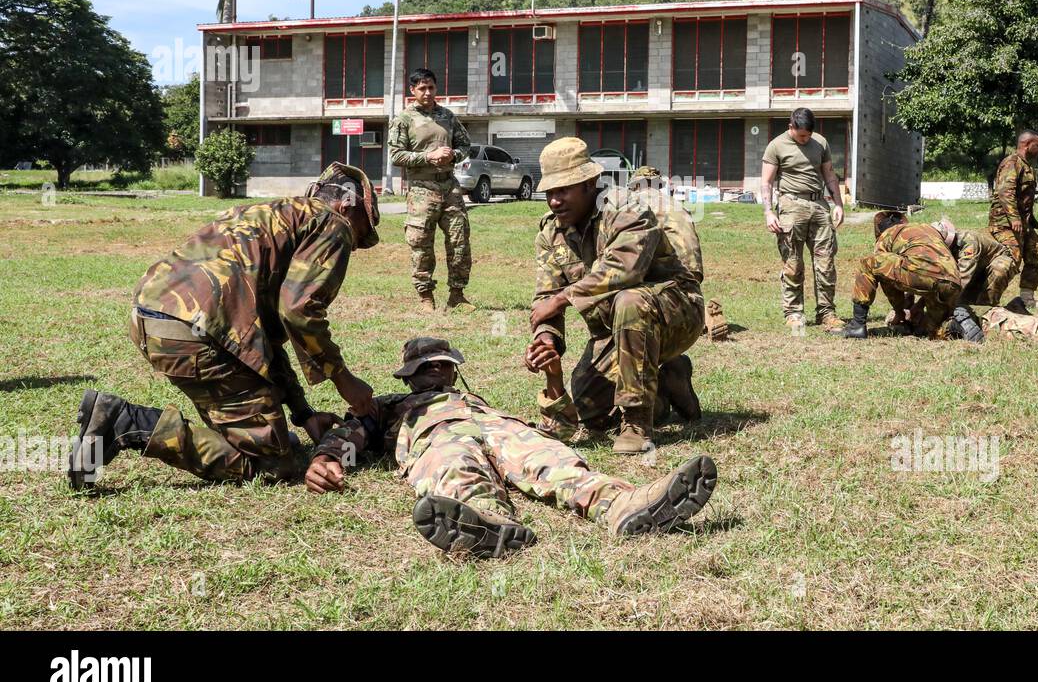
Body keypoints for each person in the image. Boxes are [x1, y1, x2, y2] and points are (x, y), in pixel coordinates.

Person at [67, 163, 381, 489]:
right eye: (362, 230)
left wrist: (304, 414)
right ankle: (125, 423)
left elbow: (265, 343)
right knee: (271, 464)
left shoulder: (270, 214)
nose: (355, 243)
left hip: (153, 317)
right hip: (198, 335)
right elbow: (299, 312)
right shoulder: (333, 223)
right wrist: (344, 380)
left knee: (272, 436)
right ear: (347, 206)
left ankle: (246, 433)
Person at [303, 338, 718, 558]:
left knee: (554, 461)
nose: (436, 370)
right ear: (409, 376)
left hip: (501, 428)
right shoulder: (391, 406)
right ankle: (487, 524)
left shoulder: (481, 401)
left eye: (443, 364)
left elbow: (559, 428)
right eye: (425, 367)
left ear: (453, 370)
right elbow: (352, 432)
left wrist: (554, 379)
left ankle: (623, 505)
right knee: (454, 466)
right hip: (438, 435)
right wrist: (325, 459)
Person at [525, 138, 705, 454]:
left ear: (590, 184)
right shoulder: (550, 235)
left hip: (677, 311)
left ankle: (637, 423)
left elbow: (625, 269)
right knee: (590, 411)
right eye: (549, 193)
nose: (554, 201)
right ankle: (666, 385)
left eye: (563, 190)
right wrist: (547, 341)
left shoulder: (627, 209)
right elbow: (545, 298)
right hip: (616, 332)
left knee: (630, 300)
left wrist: (563, 298)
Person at [388, 67, 474, 312]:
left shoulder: (447, 116)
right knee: (421, 245)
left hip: (450, 187)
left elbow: (465, 145)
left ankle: (457, 295)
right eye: (422, 88)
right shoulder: (403, 119)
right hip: (421, 190)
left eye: (431, 87)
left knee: (459, 242)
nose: (427, 92)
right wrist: (429, 156)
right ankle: (426, 296)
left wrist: (452, 155)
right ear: (413, 90)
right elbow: (396, 155)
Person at [760, 108, 846, 332]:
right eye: (800, 136)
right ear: (791, 127)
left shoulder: (821, 143)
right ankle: (793, 313)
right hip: (791, 206)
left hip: (819, 206)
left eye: (807, 135)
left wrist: (838, 204)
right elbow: (767, 182)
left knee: (826, 262)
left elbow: (829, 175)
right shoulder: (776, 146)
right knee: (793, 263)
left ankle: (827, 313)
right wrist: (769, 212)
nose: (804, 139)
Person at [842, 211, 961, 339]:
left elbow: (886, 277)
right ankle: (950, 326)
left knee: (868, 264)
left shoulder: (886, 235)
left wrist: (899, 311)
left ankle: (857, 326)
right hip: (953, 281)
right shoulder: (927, 229)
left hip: (922, 273)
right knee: (932, 330)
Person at [989, 131, 1038, 313]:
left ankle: (1027, 299)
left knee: (1036, 256)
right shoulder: (1012, 162)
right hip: (1005, 222)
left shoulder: (1025, 165)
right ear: (1027, 144)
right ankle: (989, 299)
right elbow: (1005, 191)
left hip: (1023, 222)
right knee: (1010, 260)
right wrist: (1014, 218)